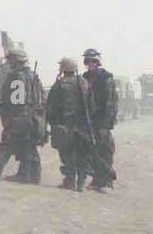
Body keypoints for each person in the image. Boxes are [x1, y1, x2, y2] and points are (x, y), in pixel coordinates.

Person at [0, 47, 46, 183]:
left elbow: (16, 101)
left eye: (11, 60)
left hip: (19, 118)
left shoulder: (17, 77)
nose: (9, 63)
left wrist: (9, 118)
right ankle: (31, 176)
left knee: (7, 144)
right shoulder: (34, 76)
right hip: (32, 118)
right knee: (28, 147)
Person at [46, 57, 94, 191]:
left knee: (67, 154)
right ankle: (81, 182)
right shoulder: (84, 83)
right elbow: (91, 105)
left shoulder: (60, 84)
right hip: (82, 126)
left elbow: (51, 105)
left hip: (64, 125)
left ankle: (70, 180)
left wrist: (52, 123)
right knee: (82, 154)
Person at [82, 48, 118, 192]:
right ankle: (97, 179)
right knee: (91, 150)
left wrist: (106, 124)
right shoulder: (84, 77)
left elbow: (110, 103)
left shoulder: (105, 78)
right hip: (89, 120)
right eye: (88, 61)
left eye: (93, 61)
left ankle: (107, 181)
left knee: (104, 150)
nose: (90, 63)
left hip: (102, 119)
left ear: (98, 62)